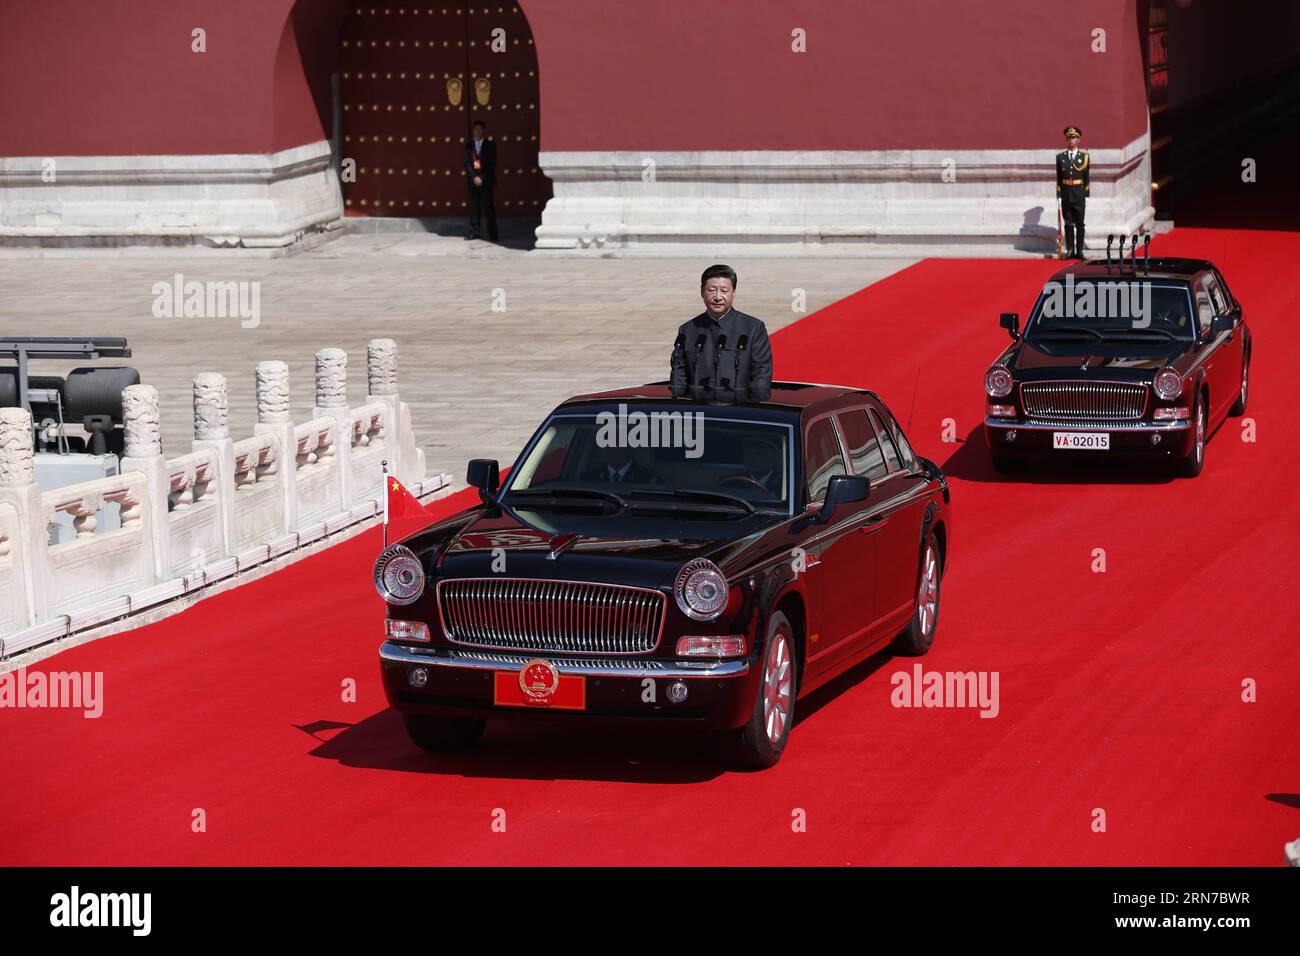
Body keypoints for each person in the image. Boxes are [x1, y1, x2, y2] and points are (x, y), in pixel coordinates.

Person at [670, 264, 773, 402]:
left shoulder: (753, 328)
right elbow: (679, 375)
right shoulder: (687, 330)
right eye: (711, 290)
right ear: (702, 291)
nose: (718, 297)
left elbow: (761, 374)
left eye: (724, 291)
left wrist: (755, 409)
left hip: (740, 411)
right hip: (699, 411)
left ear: (733, 292)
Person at [1056, 125, 1089, 259]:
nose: (1071, 140)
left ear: (1078, 140)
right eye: (1068, 138)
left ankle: (1079, 251)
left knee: (1080, 223)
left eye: (1073, 138)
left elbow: (1086, 177)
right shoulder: (1060, 157)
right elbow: (1059, 177)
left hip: (1079, 193)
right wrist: (1058, 195)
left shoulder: (1084, 157)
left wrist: (1086, 195)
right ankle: (1070, 250)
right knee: (1068, 223)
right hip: (1066, 193)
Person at [464, 120, 498, 242]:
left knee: (489, 209)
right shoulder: (469, 145)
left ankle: (493, 235)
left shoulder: (491, 145)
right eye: (475, 129)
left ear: (484, 131)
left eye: (480, 129)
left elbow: (492, 165)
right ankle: (475, 232)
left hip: (486, 181)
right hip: (473, 182)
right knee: (474, 208)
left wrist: (482, 178)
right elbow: (467, 163)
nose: (477, 131)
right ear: (473, 131)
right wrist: (474, 177)